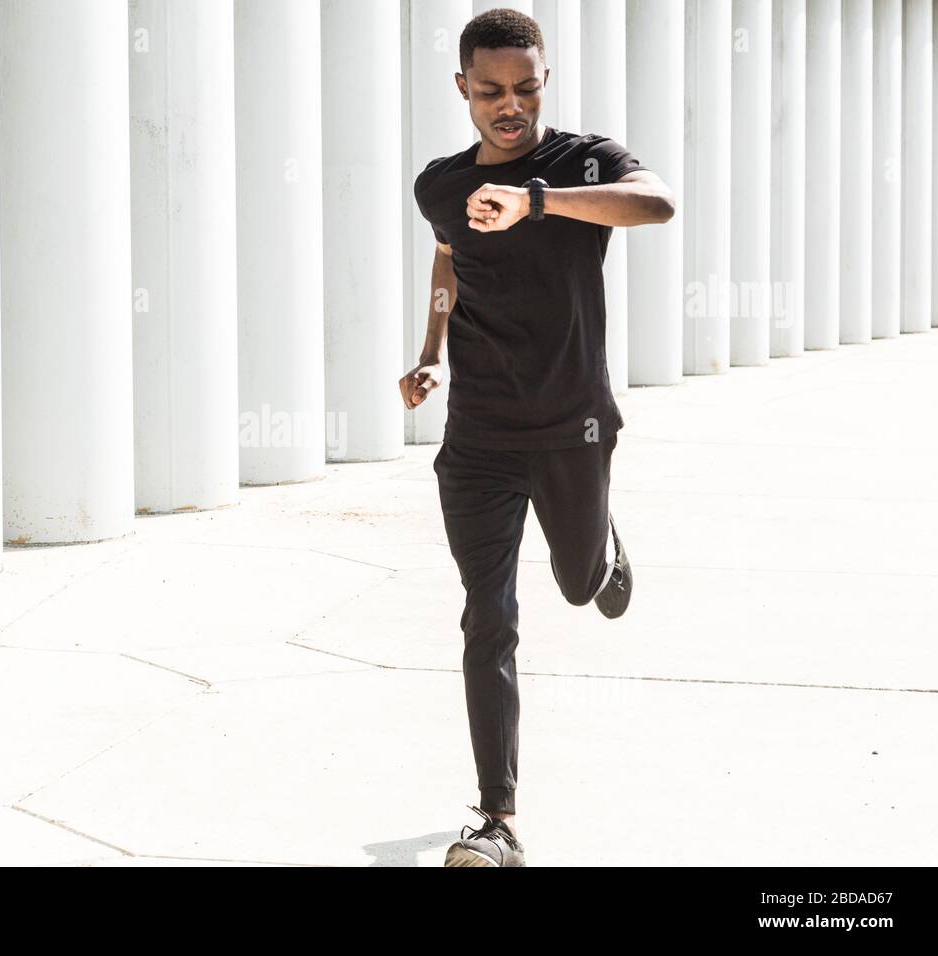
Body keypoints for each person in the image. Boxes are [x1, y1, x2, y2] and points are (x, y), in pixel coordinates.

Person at [403, 8, 675, 868]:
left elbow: (658, 204)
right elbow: (450, 257)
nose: (508, 105)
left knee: (574, 582)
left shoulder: (581, 164)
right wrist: (429, 352)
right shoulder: (441, 185)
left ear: (544, 80)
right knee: (489, 617)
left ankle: (599, 549)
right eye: (490, 91)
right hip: (478, 434)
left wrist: (538, 201)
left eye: (524, 88)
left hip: (573, 426)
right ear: (463, 90)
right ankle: (496, 820)